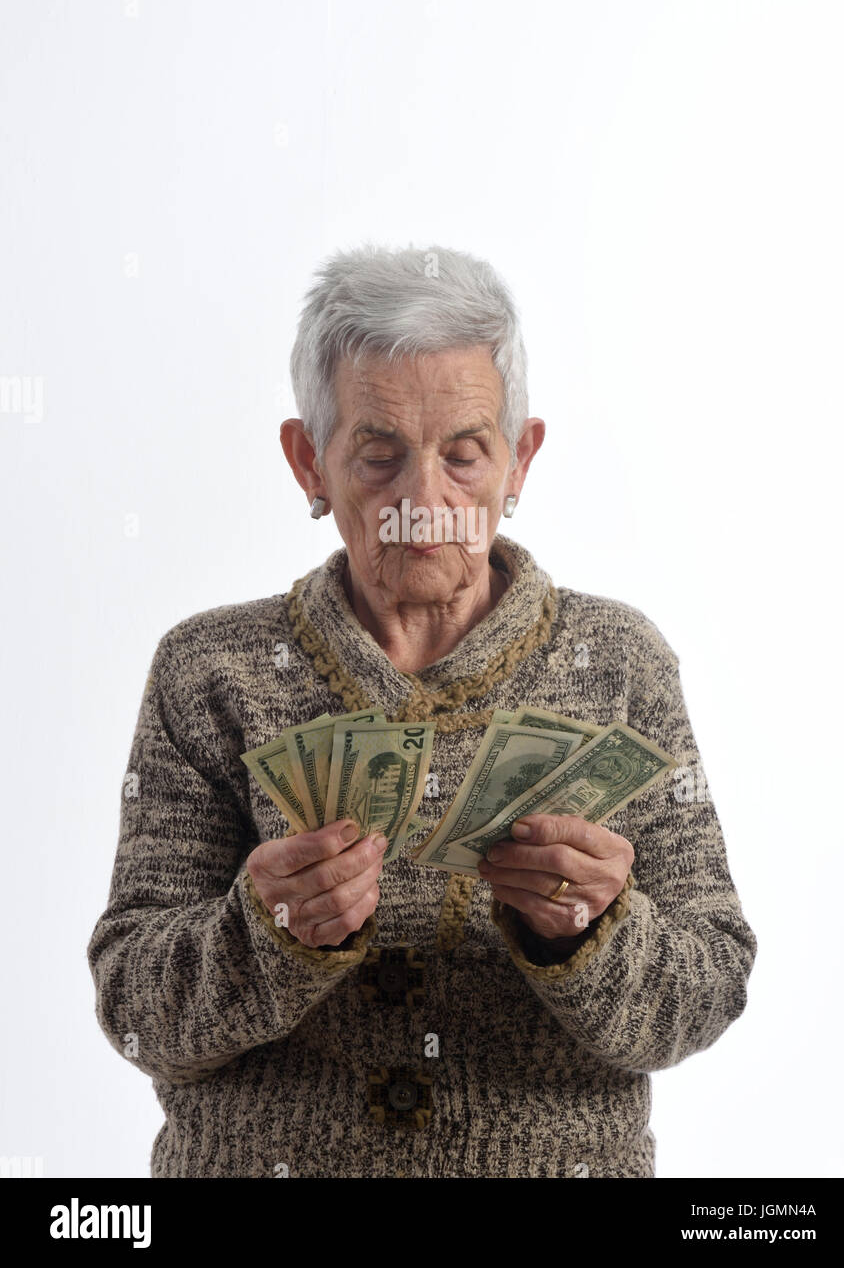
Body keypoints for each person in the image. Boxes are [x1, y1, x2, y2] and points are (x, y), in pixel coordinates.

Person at [87, 243, 757, 1178]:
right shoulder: (209, 672)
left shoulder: (621, 664)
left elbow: (710, 985)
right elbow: (134, 1007)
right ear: (308, 463)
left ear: (520, 460)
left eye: (465, 454)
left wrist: (596, 932)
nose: (425, 500)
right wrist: (263, 935)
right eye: (379, 456)